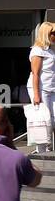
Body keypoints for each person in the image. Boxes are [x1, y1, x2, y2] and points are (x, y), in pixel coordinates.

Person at [30, 21, 55, 150]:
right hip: (41, 89)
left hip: (51, 89)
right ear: (47, 34)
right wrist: (36, 95)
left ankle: (50, 146)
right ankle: (42, 150)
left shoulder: (49, 50)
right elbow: (35, 74)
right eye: (54, 33)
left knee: (52, 119)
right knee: (44, 120)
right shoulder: (37, 50)